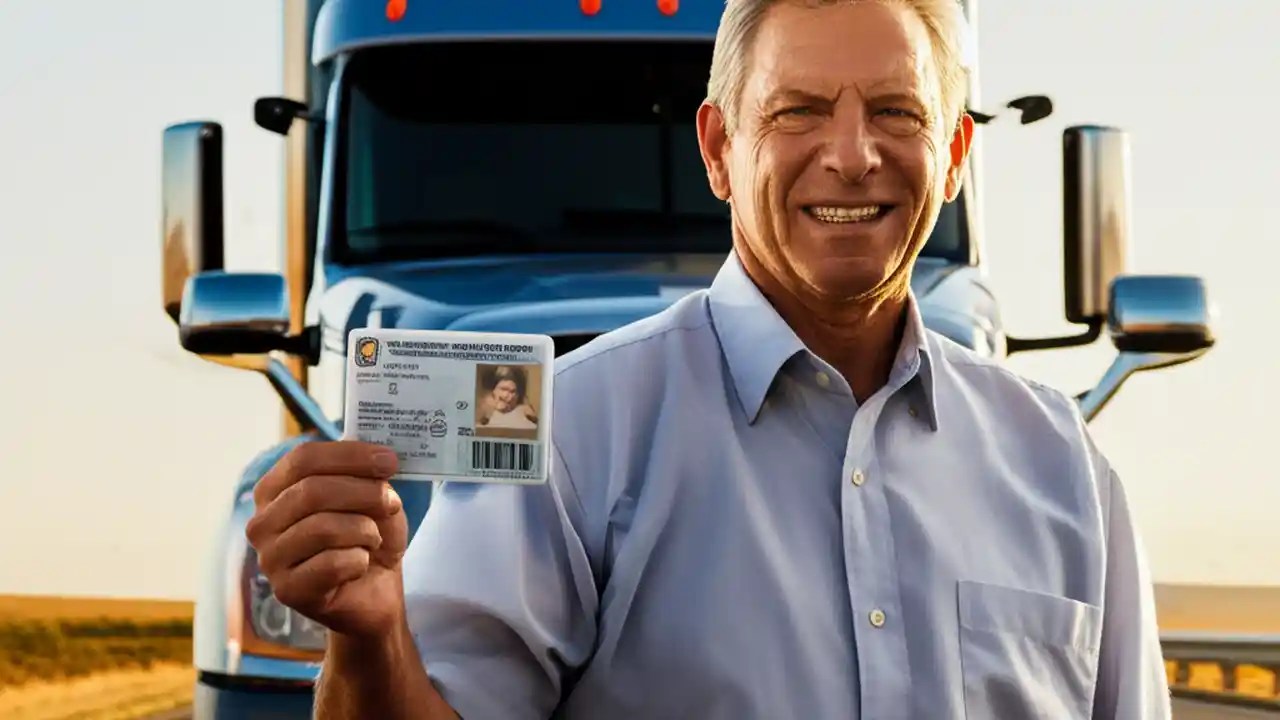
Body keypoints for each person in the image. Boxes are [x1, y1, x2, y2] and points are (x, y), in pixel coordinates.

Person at [244, 1, 1173, 718]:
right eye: (798, 112)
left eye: (897, 112)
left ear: (958, 151)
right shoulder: (569, 438)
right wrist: (370, 642)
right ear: (720, 150)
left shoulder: (1066, 468)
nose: (852, 157)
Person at [476, 365, 538, 430]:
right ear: (493, 390)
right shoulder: (485, 407)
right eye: (503, 389)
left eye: (512, 391)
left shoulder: (525, 410)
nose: (507, 395)